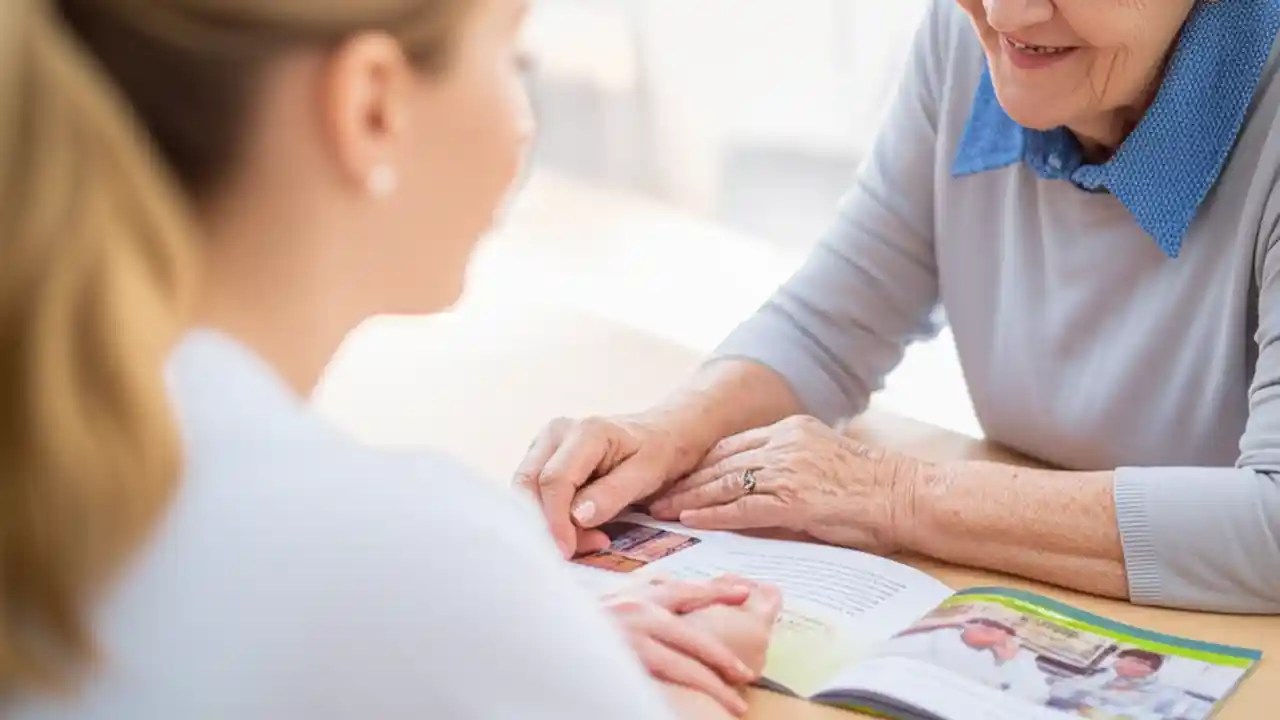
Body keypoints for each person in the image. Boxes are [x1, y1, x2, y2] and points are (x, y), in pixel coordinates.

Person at [0, 0, 783, 718]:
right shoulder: (412, 558)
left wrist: (528, 650)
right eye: (514, 60)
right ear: (371, 104)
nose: (523, 126)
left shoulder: (72, 455)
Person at [516, 0, 1280, 613]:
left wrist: (896, 494)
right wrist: (668, 430)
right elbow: (828, 326)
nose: (1006, 14)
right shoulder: (968, 43)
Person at [881, 619, 1046, 696]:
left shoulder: (1020, 662)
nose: (996, 630)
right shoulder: (939, 636)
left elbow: (1034, 693)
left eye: (1003, 630)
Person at [1047, 650, 1182, 718]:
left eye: (1127, 660)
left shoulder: (1161, 694)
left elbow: (1150, 715)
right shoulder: (1103, 677)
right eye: (1119, 659)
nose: (1118, 663)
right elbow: (1059, 693)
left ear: (1146, 666)